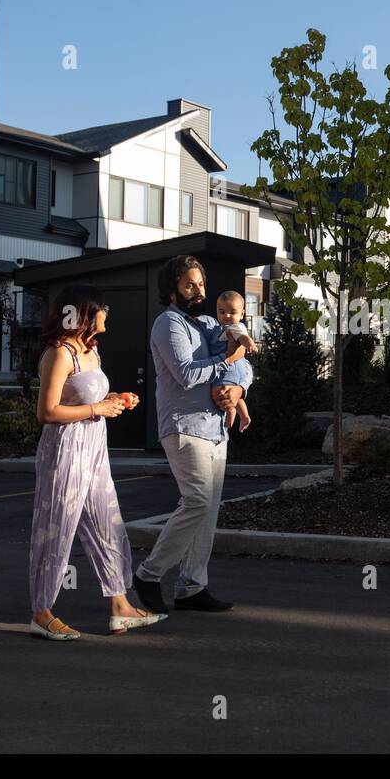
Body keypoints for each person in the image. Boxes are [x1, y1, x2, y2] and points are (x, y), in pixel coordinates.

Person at [28, 284, 163, 640]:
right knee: (56, 529)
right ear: (83, 313)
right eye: (101, 309)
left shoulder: (91, 351)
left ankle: (120, 607)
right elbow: (46, 412)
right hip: (65, 452)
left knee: (108, 524)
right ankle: (41, 611)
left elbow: (91, 396)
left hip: (94, 451)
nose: (106, 315)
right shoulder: (58, 354)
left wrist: (116, 398)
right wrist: (97, 409)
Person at [133, 255, 251, 615]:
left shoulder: (208, 323)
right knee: (197, 500)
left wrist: (239, 390)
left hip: (216, 427)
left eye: (201, 284)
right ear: (172, 290)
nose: (199, 291)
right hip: (185, 428)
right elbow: (185, 373)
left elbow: (244, 361)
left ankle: (192, 586)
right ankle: (148, 574)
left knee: (209, 510)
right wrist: (227, 362)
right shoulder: (167, 324)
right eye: (190, 285)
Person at [209, 290, 257, 432]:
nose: (227, 316)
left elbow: (242, 336)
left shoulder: (234, 327)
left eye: (232, 312)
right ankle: (245, 416)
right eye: (222, 312)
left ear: (242, 313)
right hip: (235, 367)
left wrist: (249, 344)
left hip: (230, 368)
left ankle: (230, 411)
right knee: (234, 393)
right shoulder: (222, 328)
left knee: (218, 392)